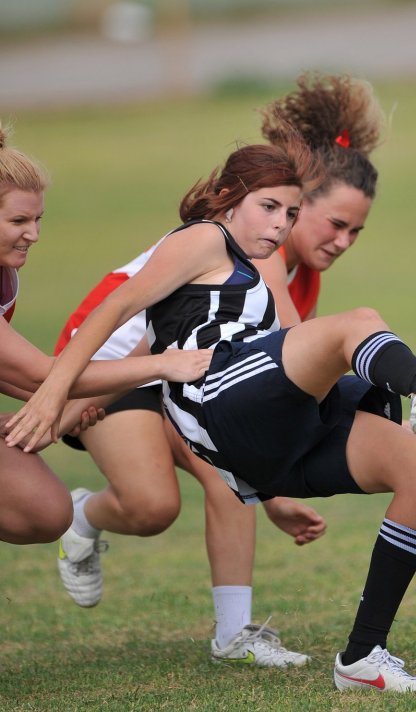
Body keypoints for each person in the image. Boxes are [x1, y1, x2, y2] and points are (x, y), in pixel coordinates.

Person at [7, 130, 416, 693]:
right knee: (356, 323)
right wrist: (58, 397)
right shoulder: (205, 238)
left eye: (289, 213)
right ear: (227, 199)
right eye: (270, 208)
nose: (280, 224)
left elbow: (263, 363)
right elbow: (120, 311)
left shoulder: (257, 275)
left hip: (241, 423)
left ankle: (363, 658)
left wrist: (271, 491)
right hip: (202, 391)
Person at [48, 72, 383, 670]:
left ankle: (234, 634)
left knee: (226, 474)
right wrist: (67, 401)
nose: (344, 241)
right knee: (152, 508)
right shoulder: (263, 256)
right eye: (333, 224)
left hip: (182, 372)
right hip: (114, 362)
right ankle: (84, 513)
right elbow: (144, 326)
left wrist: (271, 483)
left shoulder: (299, 272)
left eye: (357, 231)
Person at [0, 121, 210, 545]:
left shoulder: (6, 275)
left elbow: (19, 373)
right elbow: (41, 375)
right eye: (18, 220)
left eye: (39, 219)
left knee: (47, 512)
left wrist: (64, 404)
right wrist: (164, 364)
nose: (34, 234)